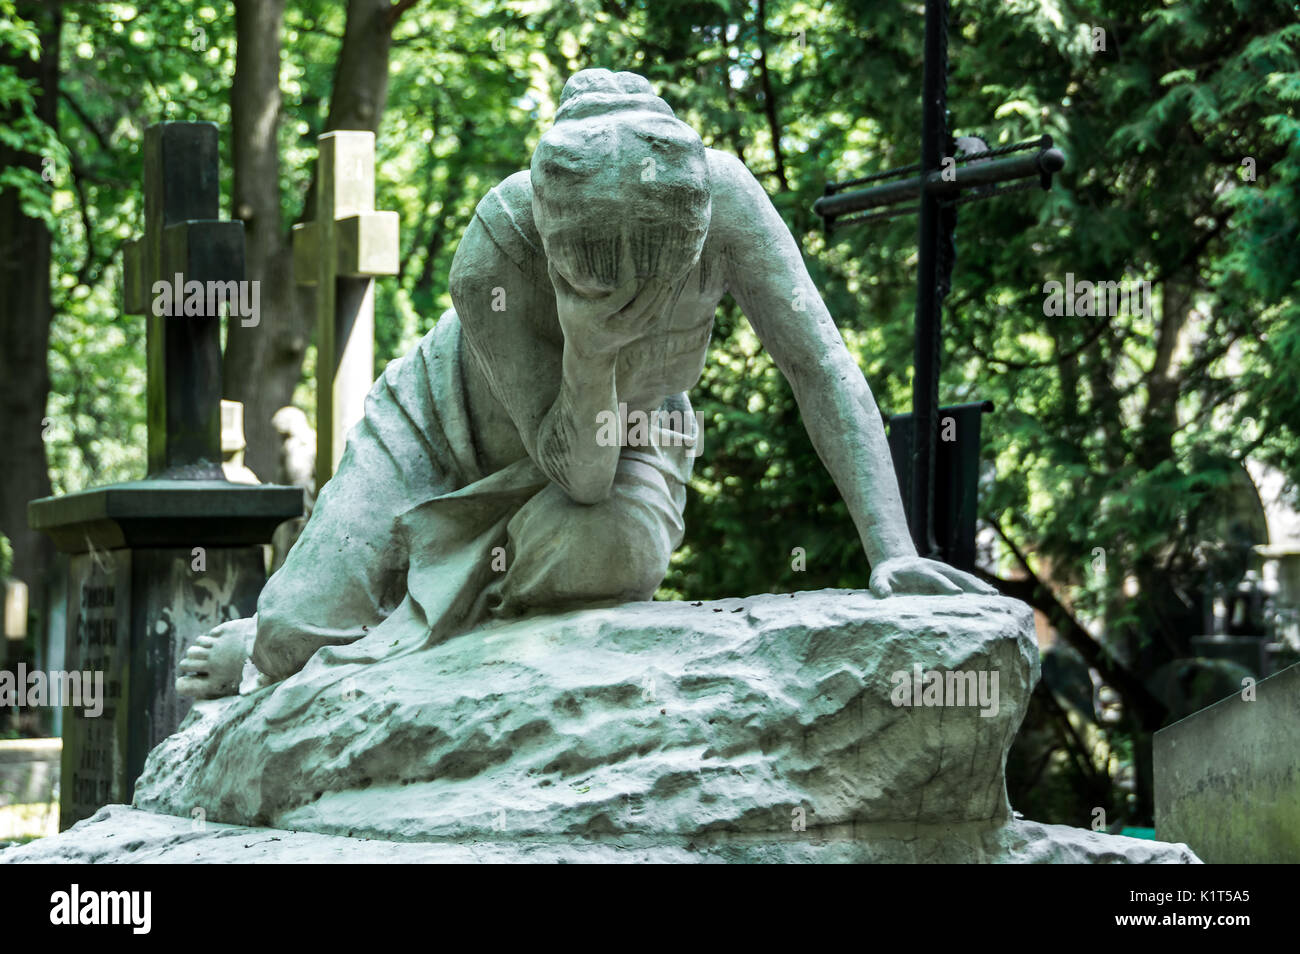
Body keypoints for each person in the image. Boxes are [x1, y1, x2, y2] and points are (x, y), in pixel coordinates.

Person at [178, 68, 992, 701]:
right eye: (602, 285)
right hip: (441, 428)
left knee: (616, 553)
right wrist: (591, 351)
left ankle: (431, 612)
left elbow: (820, 369)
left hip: (626, 446)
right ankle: (287, 632)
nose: (636, 303)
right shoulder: (496, 247)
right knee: (294, 635)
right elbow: (575, 464)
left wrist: (892, 553)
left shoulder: (728, 201)